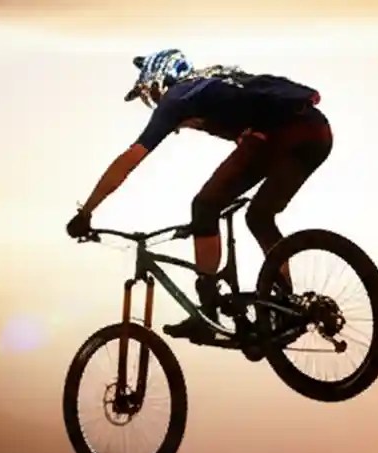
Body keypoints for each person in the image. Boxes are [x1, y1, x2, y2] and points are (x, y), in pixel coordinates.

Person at [65, 49, 333, 342]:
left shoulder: (177, 97)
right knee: (259, 216)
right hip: (317, 132)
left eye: (151, 95)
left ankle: (207, 312)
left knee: (204, 206)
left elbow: (129, 159)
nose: (154, 104)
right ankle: (287, 307)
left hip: (278, 135)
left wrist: (86, 211)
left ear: (160, 82)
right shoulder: (215, 80)